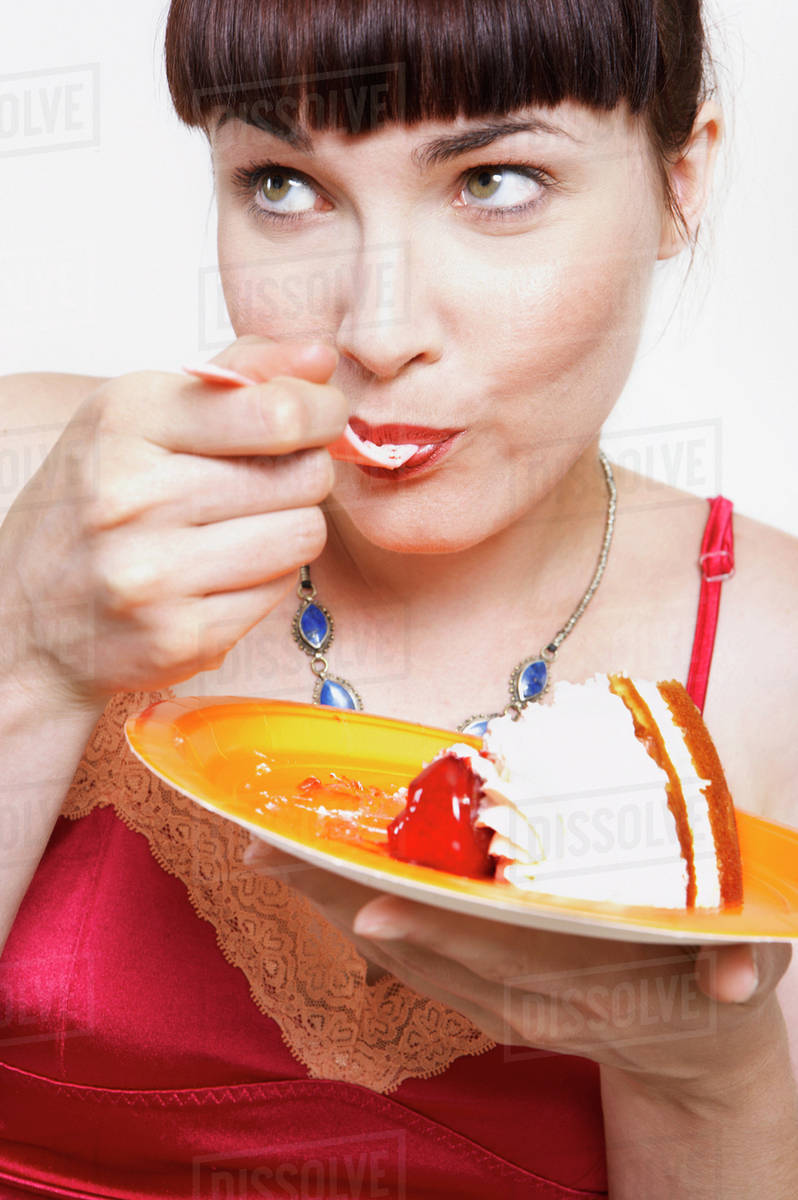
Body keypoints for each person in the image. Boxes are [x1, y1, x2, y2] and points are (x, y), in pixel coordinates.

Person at [1, 0, 796, 1196]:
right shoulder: (37, 480)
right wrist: (27, 656)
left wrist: (707, 1081)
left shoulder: (773, 652)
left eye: (497, 181)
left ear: (683, 181)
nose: (377, 332)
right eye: (282, 183)